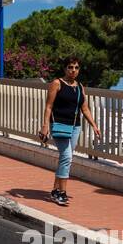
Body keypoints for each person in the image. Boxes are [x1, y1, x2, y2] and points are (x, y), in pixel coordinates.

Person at [39, 57, 100, 206]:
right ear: (65, 69)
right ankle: (62, 193)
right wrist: (45, 126)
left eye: (76, 67)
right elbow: (48, 106)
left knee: (65, 158)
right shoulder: (57, 83)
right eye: (70, 67)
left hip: (75, 127)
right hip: (59, 125)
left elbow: (84, 108)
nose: (73, 70)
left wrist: (94, 125)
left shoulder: (80, 87)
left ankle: (55, 190)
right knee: (67, 157)